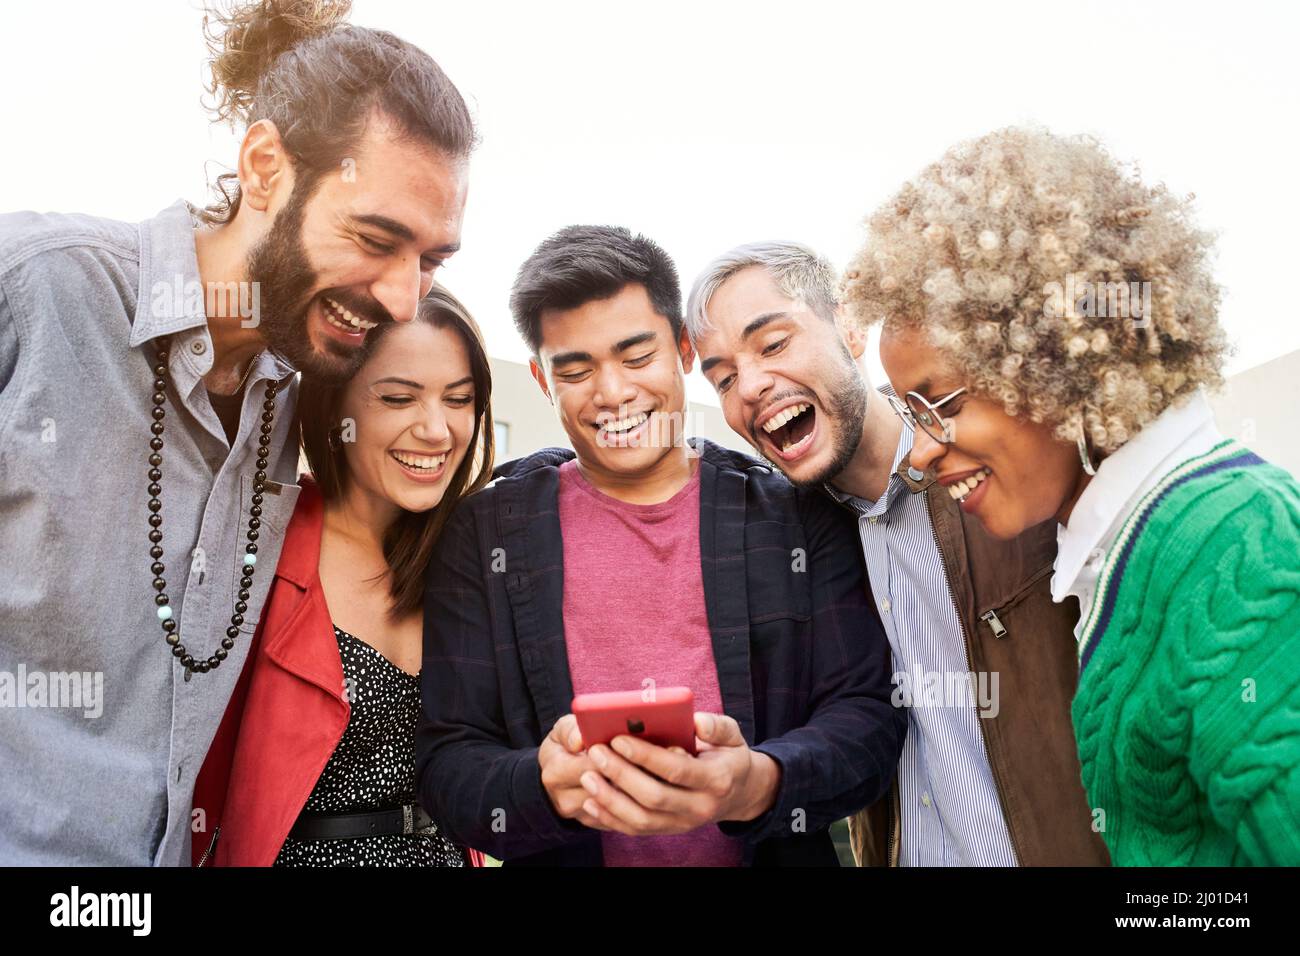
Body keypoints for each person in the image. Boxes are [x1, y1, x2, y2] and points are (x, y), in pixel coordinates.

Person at [0, 0, 474, 865]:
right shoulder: (36, 291)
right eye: (375, 237)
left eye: (432, 261)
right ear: (265, 166)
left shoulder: (303, 389)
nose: (405, 297)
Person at [843, 125, 1300, 865]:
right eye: (909, 415)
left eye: (942, 405)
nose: (922, 452)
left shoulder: (1239, 542)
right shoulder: (1124, 548)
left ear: (1053, 359)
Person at [417, 225, 904, 866]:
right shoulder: (485, 534)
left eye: (636, 356)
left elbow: (867, 716)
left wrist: (756, 782)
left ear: (681, 350)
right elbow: (448, 759)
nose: (613, 392)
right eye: (576, 369)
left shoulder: (794, 514)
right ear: (541, 379)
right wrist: (542, 784)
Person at [687, 241, 1109, 866]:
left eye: (774, 344)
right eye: (722, 378)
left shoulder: (1012, 471)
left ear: (851, 325)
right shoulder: (790, 547)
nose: (749, 386)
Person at [191, 286, 493, 867]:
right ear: (336, 407)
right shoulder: (260, 543)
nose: (437, 430)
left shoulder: (473, 558)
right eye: (400, 398)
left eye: (459, 399)